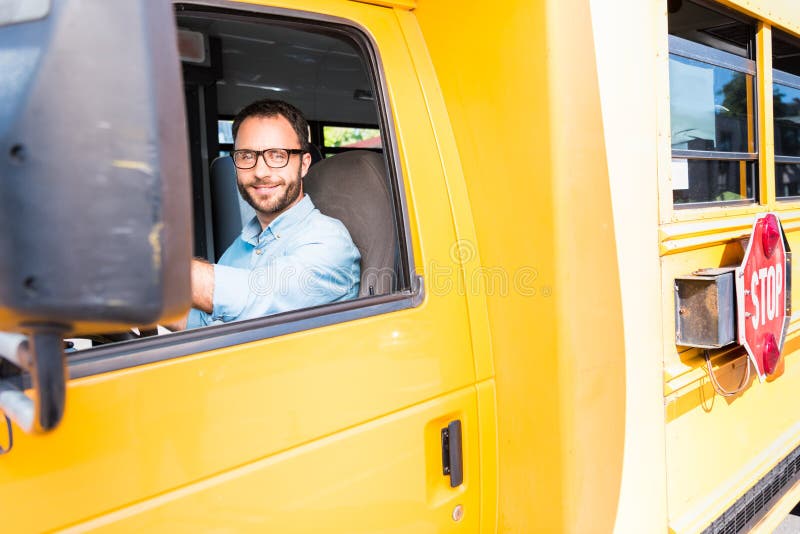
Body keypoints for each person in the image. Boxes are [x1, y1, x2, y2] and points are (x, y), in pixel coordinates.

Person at [182, 99, 360, 329]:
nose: (260, 172)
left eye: (277, 155)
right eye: (246, 155)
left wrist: (148, 266)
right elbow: (204, 322)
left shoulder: (330, 243)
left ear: (304, 164)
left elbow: (253, 295)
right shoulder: (241, 245)